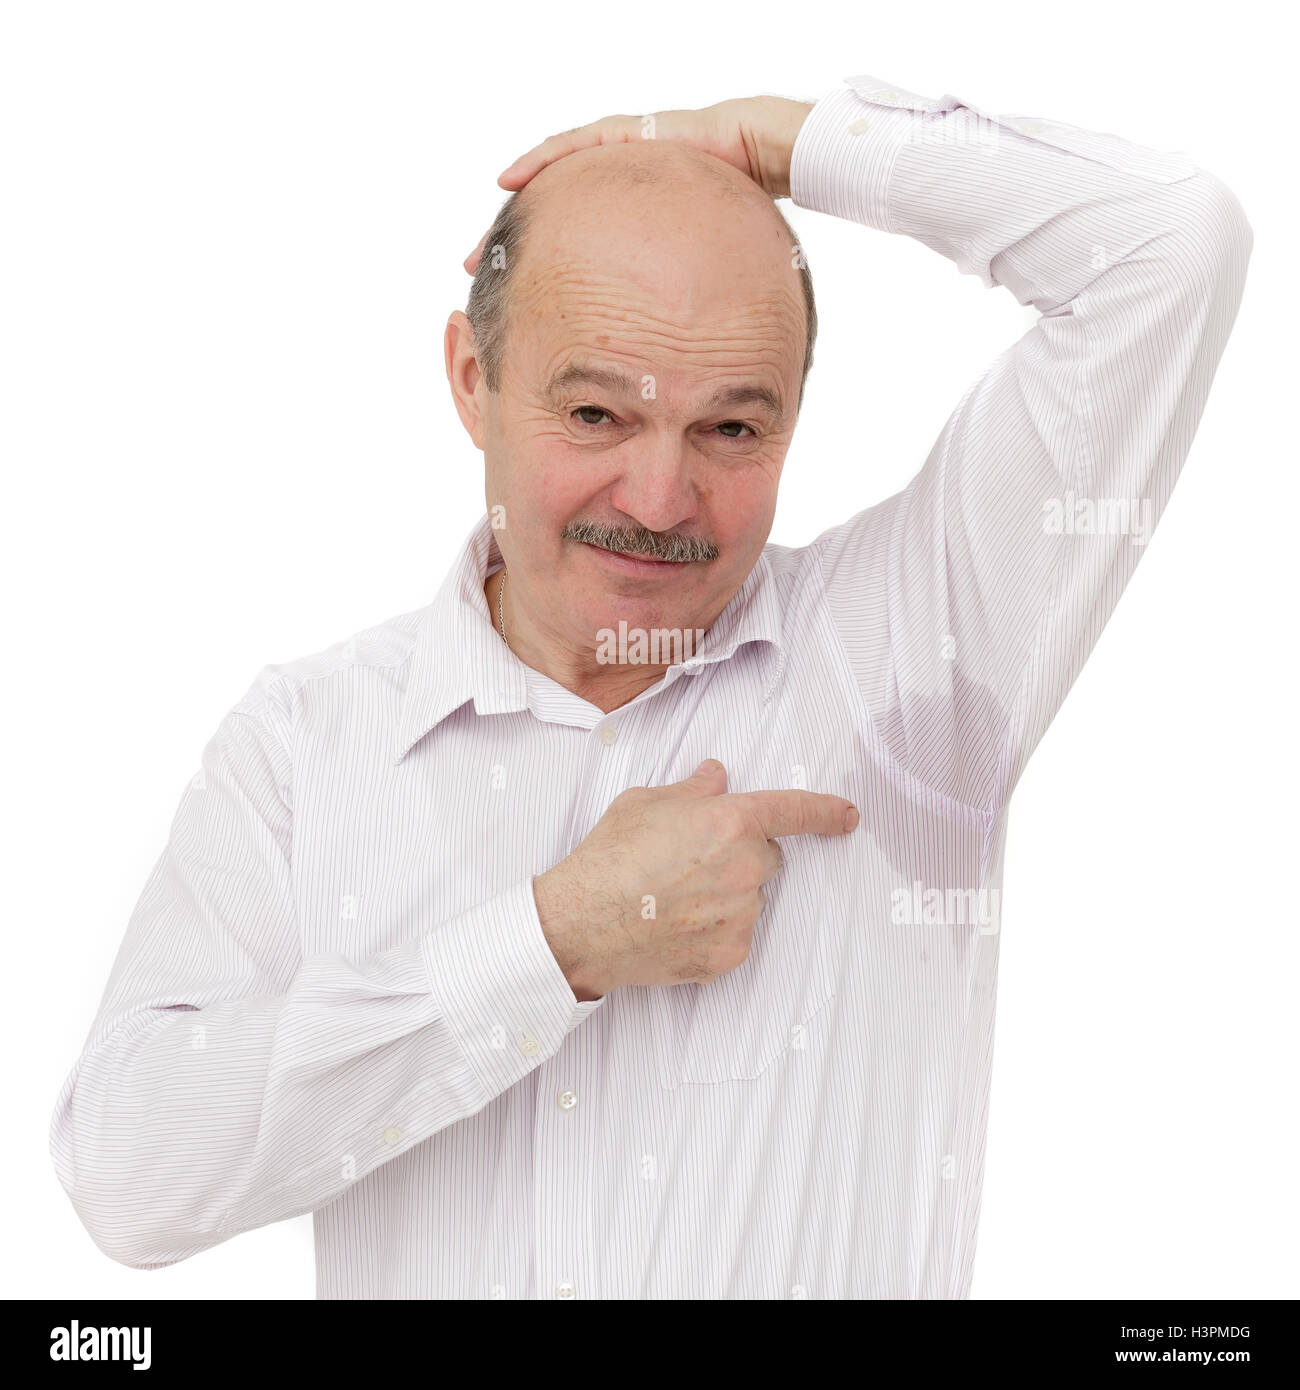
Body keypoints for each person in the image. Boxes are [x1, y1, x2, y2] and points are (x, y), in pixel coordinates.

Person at [50, 72, 1252, 1298]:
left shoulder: (919, 645)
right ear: (472, 378)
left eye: (733, 429)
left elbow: (1172, 240)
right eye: (593, 412)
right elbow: (130, 1179)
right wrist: (555, 940)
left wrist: (778, 145)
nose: (660, 499)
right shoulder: (304, 743)